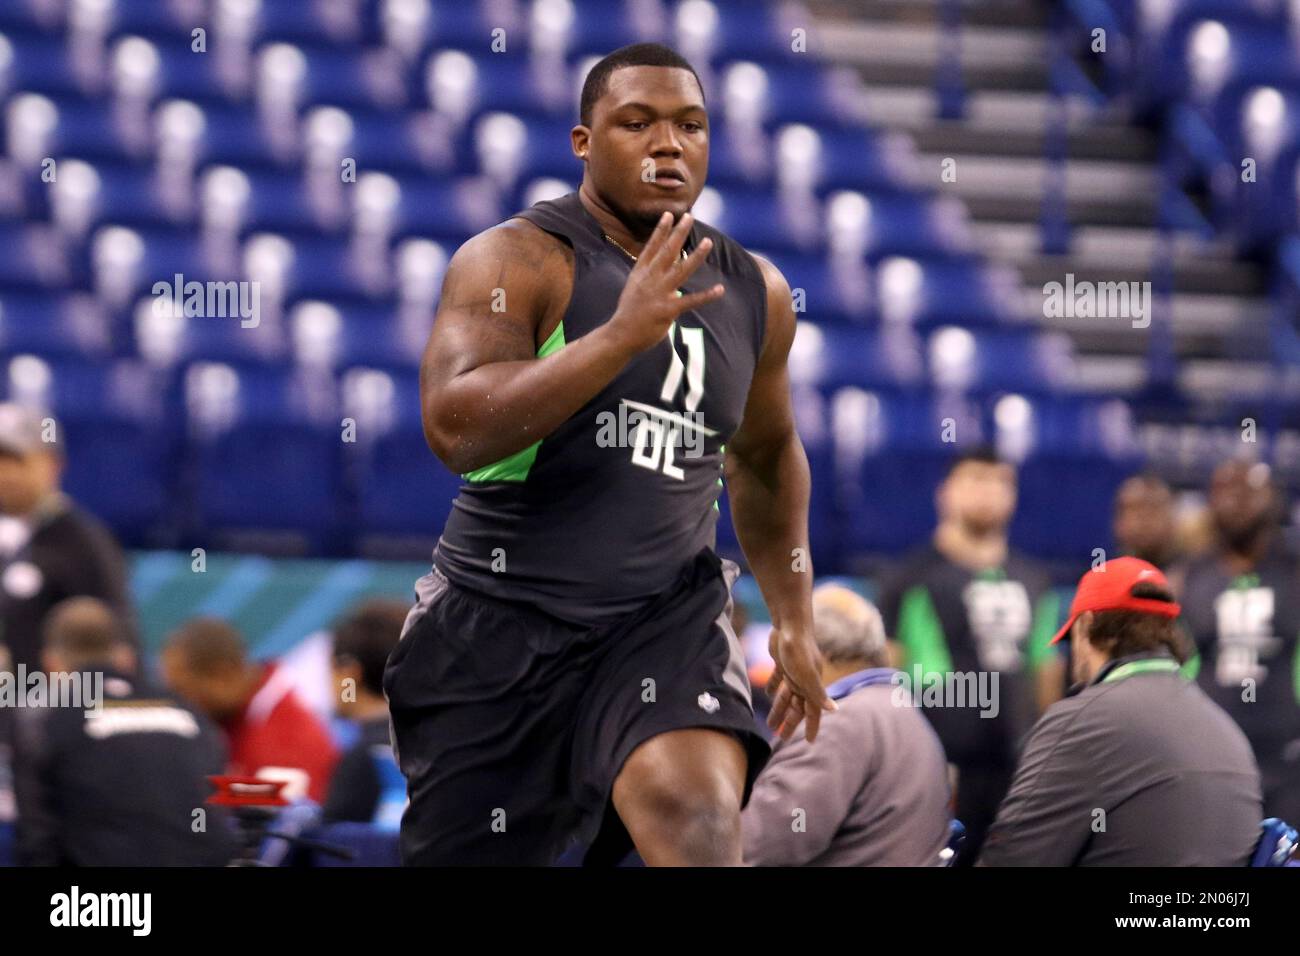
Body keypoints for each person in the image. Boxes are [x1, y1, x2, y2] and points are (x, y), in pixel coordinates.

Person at [384, 42, 829, 867]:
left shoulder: (755, 290)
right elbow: (456, 428)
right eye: (638, 124)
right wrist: (619, 337)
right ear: (584, 143)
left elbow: (765, 457)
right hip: (498, 624)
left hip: (663, 620)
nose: (669, 145)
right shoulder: (515, 258)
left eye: (690, 126)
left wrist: (794, 615)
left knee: (695, 819)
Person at [979, 557, 1262, 866]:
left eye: (1071, 638)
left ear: (1086, 625)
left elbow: (1009, 859)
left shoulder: (1080, 722)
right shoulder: (1229, 731)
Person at [876, 447, 1064, 863]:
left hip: (1017, 773)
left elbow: (1046, 674)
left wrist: (1048, 760)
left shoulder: (1035, 579)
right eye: (976, 479)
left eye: (1000, 482)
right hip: (937, 769)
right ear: (945, 492)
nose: (988, 492)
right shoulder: (909, 577)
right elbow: (883, 676)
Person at [13, 598, 233, 865]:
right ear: (126, 658)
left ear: (50, 663)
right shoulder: (190, 713)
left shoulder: (43, 721)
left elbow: (37, 840)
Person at [741, 585, 950, 866]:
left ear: (810, 652)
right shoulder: (904, 711)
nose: (778, 674)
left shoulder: (840, 724)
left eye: (782, 657)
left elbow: (758, 846)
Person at [1178, 460, 1300, 825]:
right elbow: (1180, 665)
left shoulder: (1293, 572)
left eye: (1248, 491)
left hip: (1287, 759)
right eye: (1226, 491)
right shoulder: (1190, 575)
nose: (1236, 501)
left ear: (1273, 499)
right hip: (1211, 758)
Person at [0, 403, 133, 675]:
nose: (6, 474)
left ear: (52, 464)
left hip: (50, 703)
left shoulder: (85, 542)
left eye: (18, 460)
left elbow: (115, 641)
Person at [161, 617, 339, 803]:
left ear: (223, 675)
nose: (179, 703)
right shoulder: (226, 719)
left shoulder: (287, 736)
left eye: (182, 690)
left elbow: (296, 820)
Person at [322, 599, 408, 825]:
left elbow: (331, 847)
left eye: (331, 669)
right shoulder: (439, 740)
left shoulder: (364, 757)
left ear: (349, 674)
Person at [1112, 473, 1180, 570]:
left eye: (1154, 508)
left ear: (1172, 519)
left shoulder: (1196, 574)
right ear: (1118, 521)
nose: (1145, 519)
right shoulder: (1100, 574)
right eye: (1135, 509)